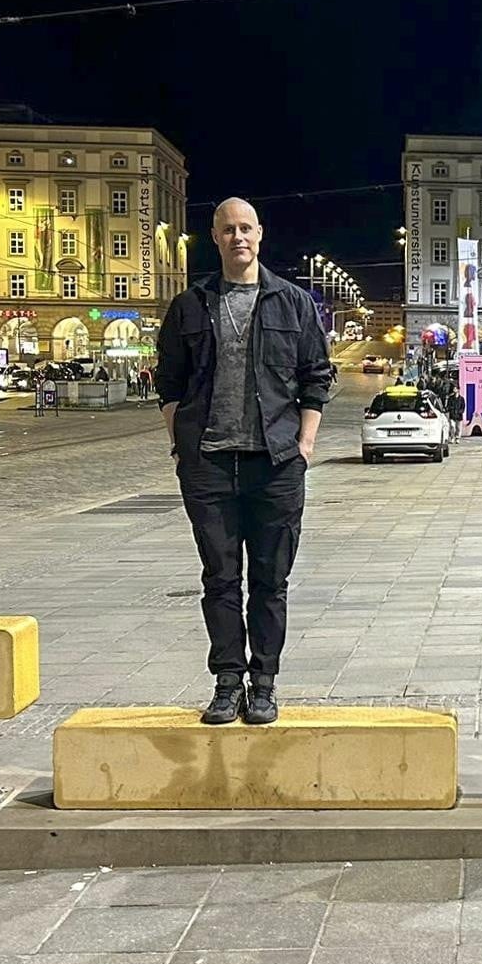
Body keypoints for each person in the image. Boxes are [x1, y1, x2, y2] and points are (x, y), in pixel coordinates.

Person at [156, 198, 333, 726]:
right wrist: (181, 445)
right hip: (209, 465)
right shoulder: (190, 305)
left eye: (246, 228)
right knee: (220, 579)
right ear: (215, 236)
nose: (238, 237)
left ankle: (265, 684)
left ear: (260, 234)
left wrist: (305, 445)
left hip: (275, 464)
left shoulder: (293, 302)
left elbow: (316, 377)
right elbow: (169, 383)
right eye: (228, 229)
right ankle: (227, 682)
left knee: (271, 581)